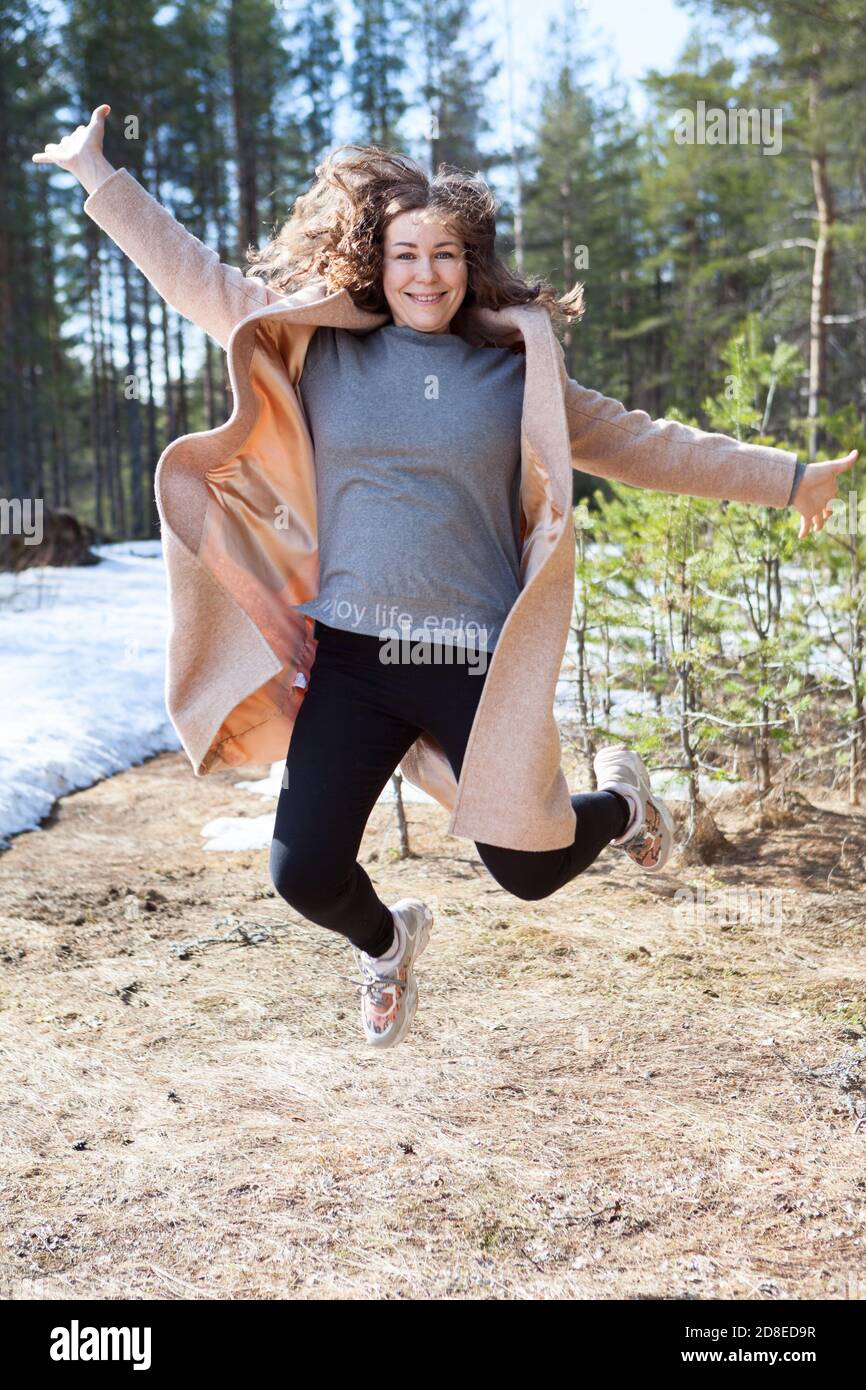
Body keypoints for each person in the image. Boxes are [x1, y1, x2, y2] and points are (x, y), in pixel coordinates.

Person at [34, 107, 858, 1050]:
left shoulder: (511, 373)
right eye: (406, 255)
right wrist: (100, 177)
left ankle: (623, 805)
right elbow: (194, 277)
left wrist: (787, 480)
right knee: (303, 873)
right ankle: (388, 944)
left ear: (471, 267)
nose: (426, 274)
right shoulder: (320, 349)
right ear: (375, 265)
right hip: (352, 657)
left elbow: (640, 441)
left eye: (446, 255)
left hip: (475, 661)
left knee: (530, 870)